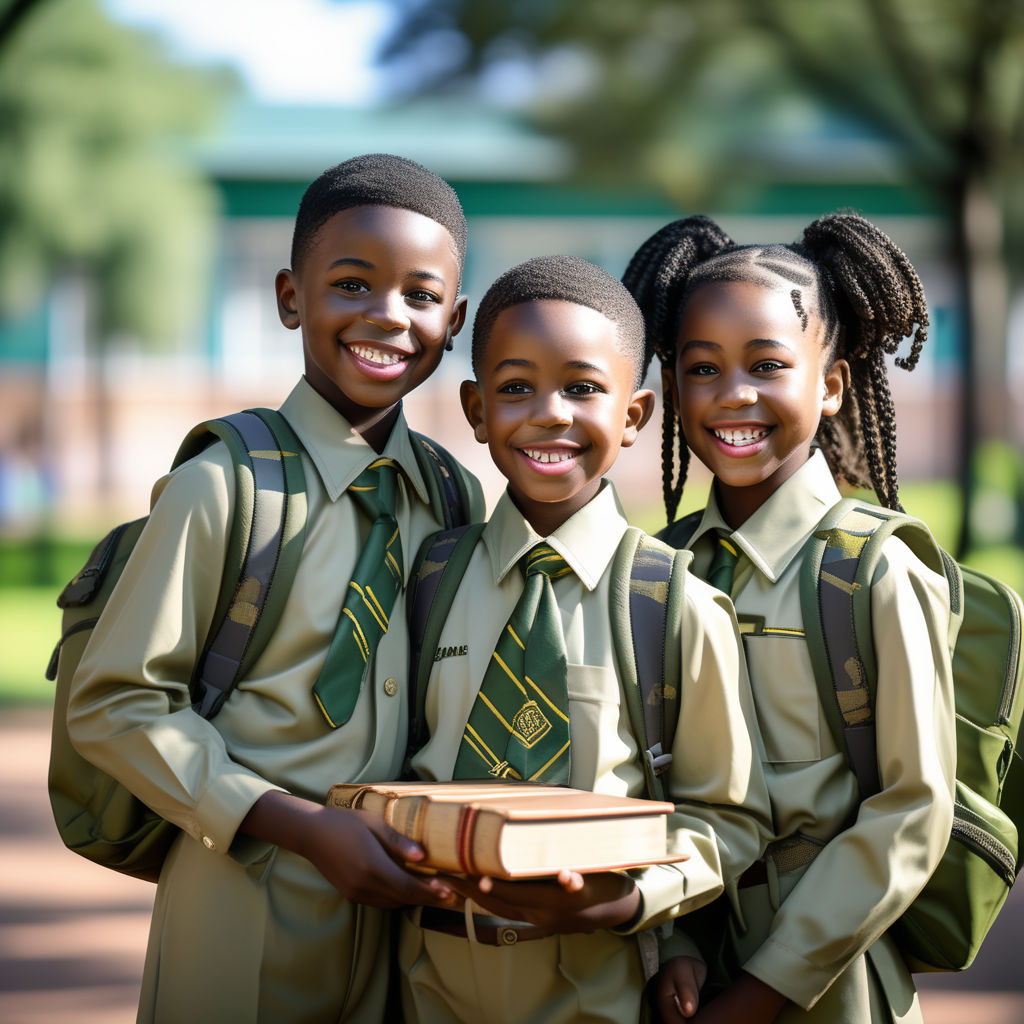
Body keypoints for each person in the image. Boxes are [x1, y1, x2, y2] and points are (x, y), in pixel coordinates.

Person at [66, 153, 486, 1023]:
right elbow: (116, 703)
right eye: (352, 285)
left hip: (397, 912)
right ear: (292, 297)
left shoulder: (451, 495)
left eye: (420, 295)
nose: (388, 316)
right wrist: (297, 826)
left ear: (455, 321)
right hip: (242, 889)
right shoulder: (226, 483)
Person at [399, 254, 772, 1024]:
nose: (550, 413)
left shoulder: (676, 604)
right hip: (430, 978)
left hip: (600, 986)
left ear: (634, 415)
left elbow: (732, 819)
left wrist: (637, 900)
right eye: (514, 388)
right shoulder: (428, 579)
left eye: (583, 388)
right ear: (474, 410)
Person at [622, 213, 956, 1023]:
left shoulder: (872, 570)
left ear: (832, 383)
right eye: (702, 368)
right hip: (692, 977)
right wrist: (676, 946)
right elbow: (647, 780)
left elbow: (914, 812)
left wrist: (765, 992)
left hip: (831, 980)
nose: (734, 394)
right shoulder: (654, 572)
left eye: (767, 365)